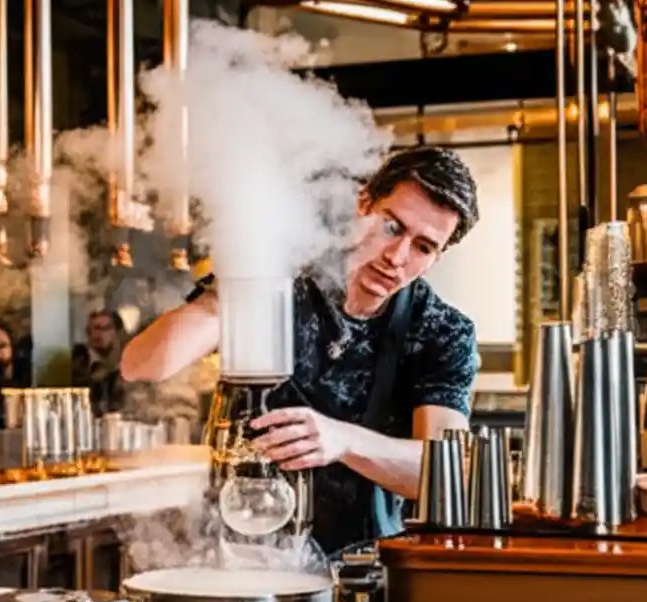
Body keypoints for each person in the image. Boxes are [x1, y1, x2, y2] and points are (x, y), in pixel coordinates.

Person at [120, 146, 481, 554]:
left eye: (423, 247)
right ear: (364, 204)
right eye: (392, 227)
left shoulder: (441, 331)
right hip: (236, 553)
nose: (397, 257)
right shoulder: (280, 278)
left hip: (361, 572)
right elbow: (142, 365)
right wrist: (240, 285)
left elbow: (443, 473)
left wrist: (342, 441)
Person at [71, 309, 128, 414]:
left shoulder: (128, 360)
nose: (98, 333)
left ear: (117, 332)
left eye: (105, 328)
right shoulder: (79, 360)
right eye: (93, 329)